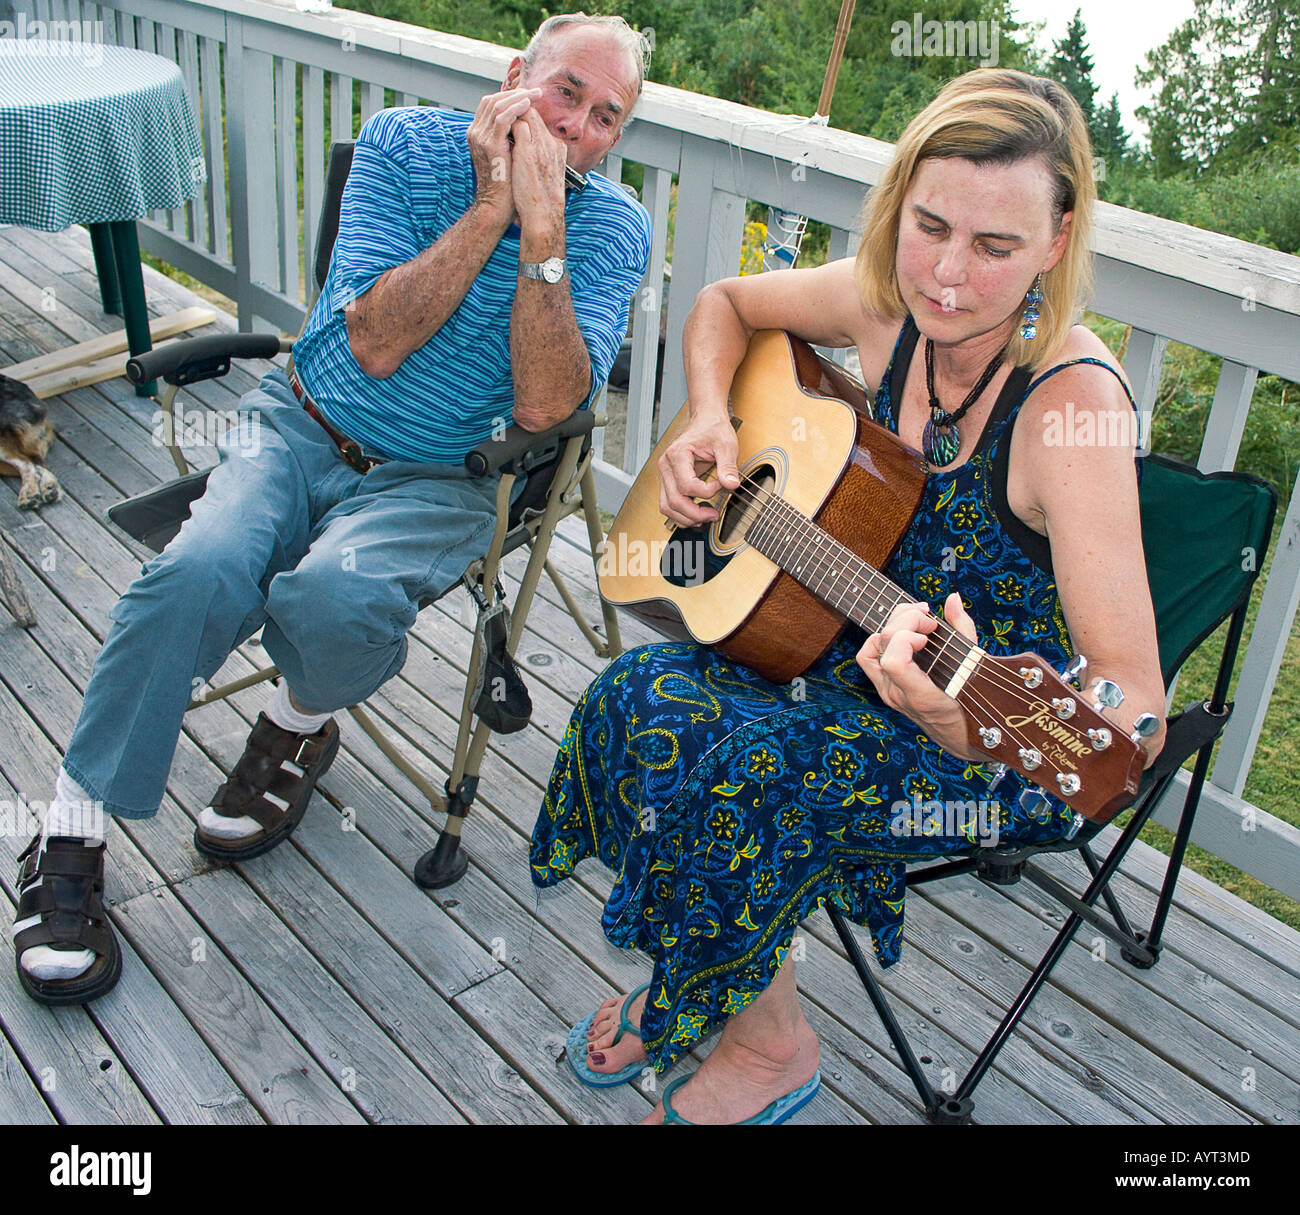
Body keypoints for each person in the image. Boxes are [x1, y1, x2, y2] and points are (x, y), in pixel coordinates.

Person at [530, 68, 1169, 1124]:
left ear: (1056, 244)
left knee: (739, 764)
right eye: (928, 227)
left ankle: (767, 1045)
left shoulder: (1072, 405)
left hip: (981, 736)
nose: (949, 278)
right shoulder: (890, 311)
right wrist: (705, 419)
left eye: (995, 247)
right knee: (632, 696)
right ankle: (708, 979)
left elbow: (1130, 700)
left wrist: (966, 724)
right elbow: (724, 304)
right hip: (834, 641)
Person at [12, 13, 652, 1006]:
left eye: (607, 116)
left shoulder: (612, 228)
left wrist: (544, 235)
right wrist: (490, 209)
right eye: (566, 91)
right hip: (300, 422)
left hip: (441, 477)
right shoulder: (402, 144)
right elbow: (373, 347)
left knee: (334, 604)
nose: (577, 127)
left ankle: (292, 719)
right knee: (196, 572)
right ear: (516, 75)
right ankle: (68, 830)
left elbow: (544, 406)